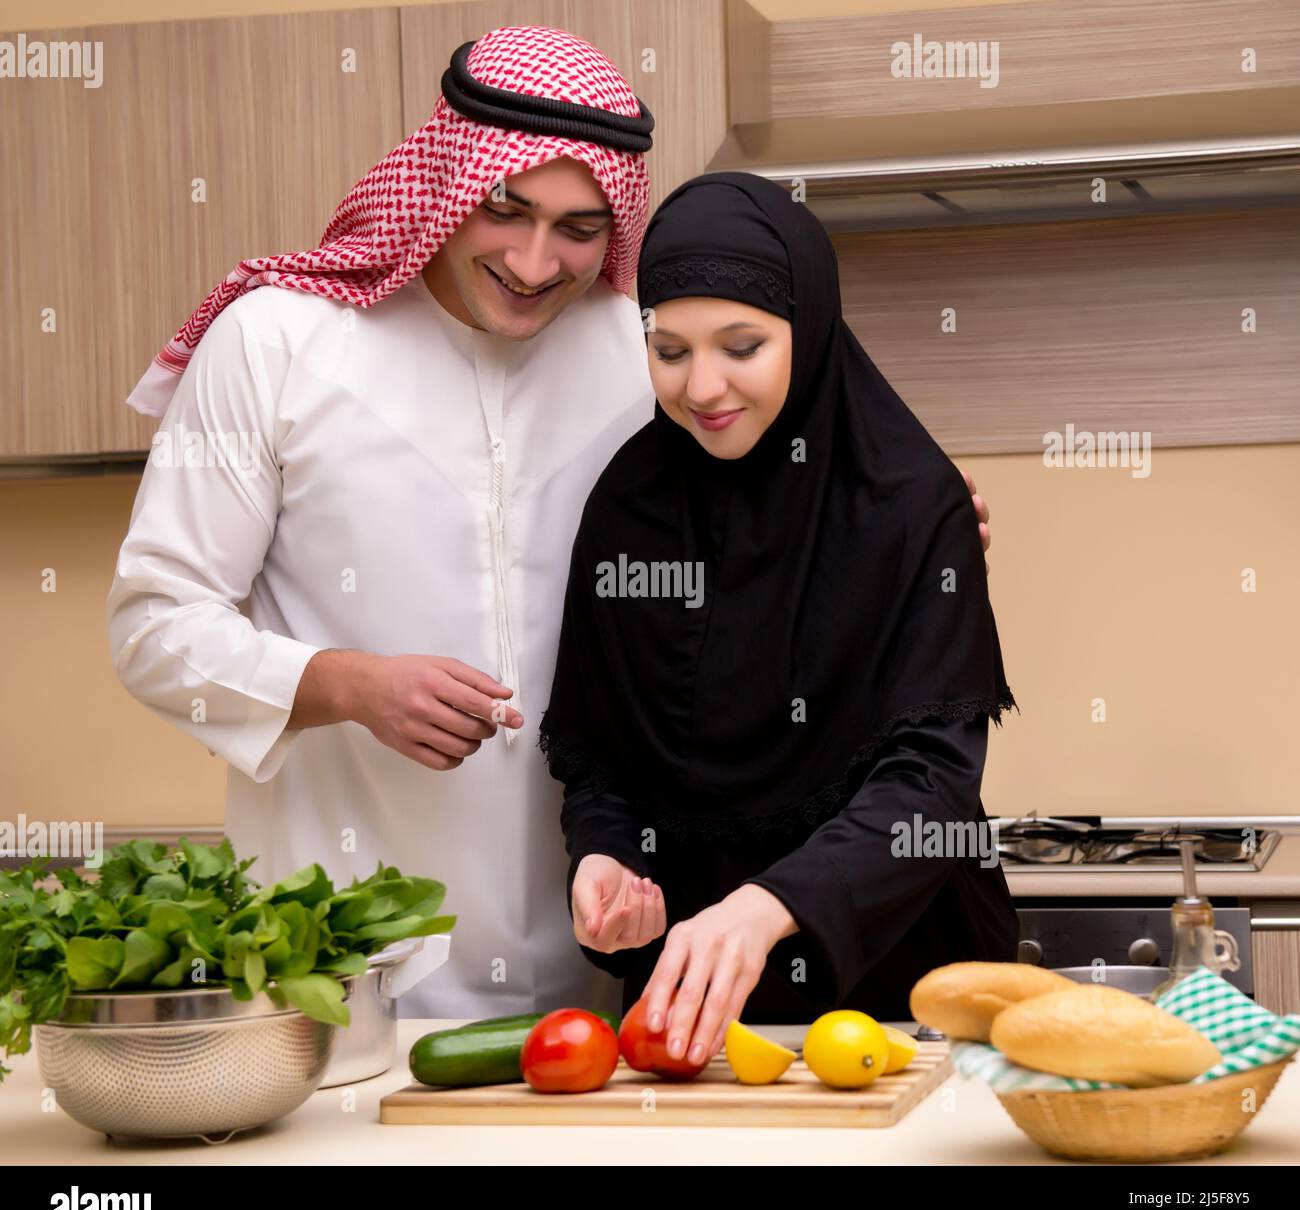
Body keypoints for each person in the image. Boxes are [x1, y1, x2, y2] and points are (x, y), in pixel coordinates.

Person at [107, 27, 994, 1020]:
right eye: (505, 209)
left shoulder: (640, 350)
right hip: (342, 960)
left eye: (578, 228)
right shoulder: (278, 342)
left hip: (607, 969)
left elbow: (793, 494)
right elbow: (152, 625)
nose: (535, 262)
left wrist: (903, 524)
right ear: (447, 178)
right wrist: (343, 682)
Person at [539, 172, 1019, 1067]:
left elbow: (931, 783)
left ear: (812, 325)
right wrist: (604, 861)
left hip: (910, 988)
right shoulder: (626, 508)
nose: (702, 386)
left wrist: (766, 906)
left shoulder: (915, 505)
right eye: (669, 349)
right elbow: (602, 764)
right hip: (694, 1003)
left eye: (741, 345)